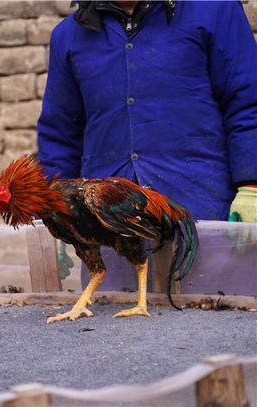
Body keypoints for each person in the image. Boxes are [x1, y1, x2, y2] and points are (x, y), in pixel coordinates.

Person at [37, 1, 257, 290]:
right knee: (110, 330)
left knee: (211, 318)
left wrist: (251, 186)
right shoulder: (68, 36)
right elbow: (60, 133)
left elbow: (247, 101)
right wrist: (54, 213)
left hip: (202, 208)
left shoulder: (214, 10)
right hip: (106, 225)